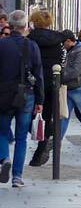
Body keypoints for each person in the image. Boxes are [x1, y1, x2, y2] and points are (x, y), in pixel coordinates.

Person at [0, 10, 44, 187]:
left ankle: (4, 158)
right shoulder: (31, 46)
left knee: (2, 131)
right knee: (21, 137)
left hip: (3, 95)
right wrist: (40, 100)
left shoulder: (1, 45)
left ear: (9, 25)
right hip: (27, 95)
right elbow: (38, 74)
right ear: (25, 26)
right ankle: (17, 177)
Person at [27, 7, 66, 166]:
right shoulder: (58, 40)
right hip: (52, 82)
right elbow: (62, 60)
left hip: (34, 82)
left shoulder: (29, 39)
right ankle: (40, 152)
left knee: (29, 116)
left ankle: (49, 135)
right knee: (46, 115)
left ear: (34, 22)